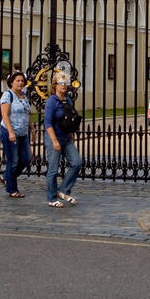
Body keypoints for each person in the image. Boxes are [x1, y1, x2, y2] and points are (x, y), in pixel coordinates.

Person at [44, 74, 82, 208]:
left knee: (76, 163)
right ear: (55, 85)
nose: (64, 85)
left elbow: (70, 117)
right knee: (53, 170)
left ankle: (64, 190)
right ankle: (51, 198)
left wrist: (71, 132)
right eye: (61, 82)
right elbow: (47, 123)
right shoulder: (51, 102)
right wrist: (54, 141)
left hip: (66, 137)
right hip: (54, 137)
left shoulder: (68, 101)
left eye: (66, 82)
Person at [0, 71, 32, 198]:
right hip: (9, 132)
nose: (20, 83)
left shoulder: (24, 95)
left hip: (23, 133)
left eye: (22, 80)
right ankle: (12, 189)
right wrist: (11, 132)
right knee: (13, 161)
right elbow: (5, 114)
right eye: (17, 80)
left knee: (26, 158)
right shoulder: (7, 95)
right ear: (11, 82)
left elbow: (27, 113)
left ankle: (6, 177)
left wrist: (32, 129)